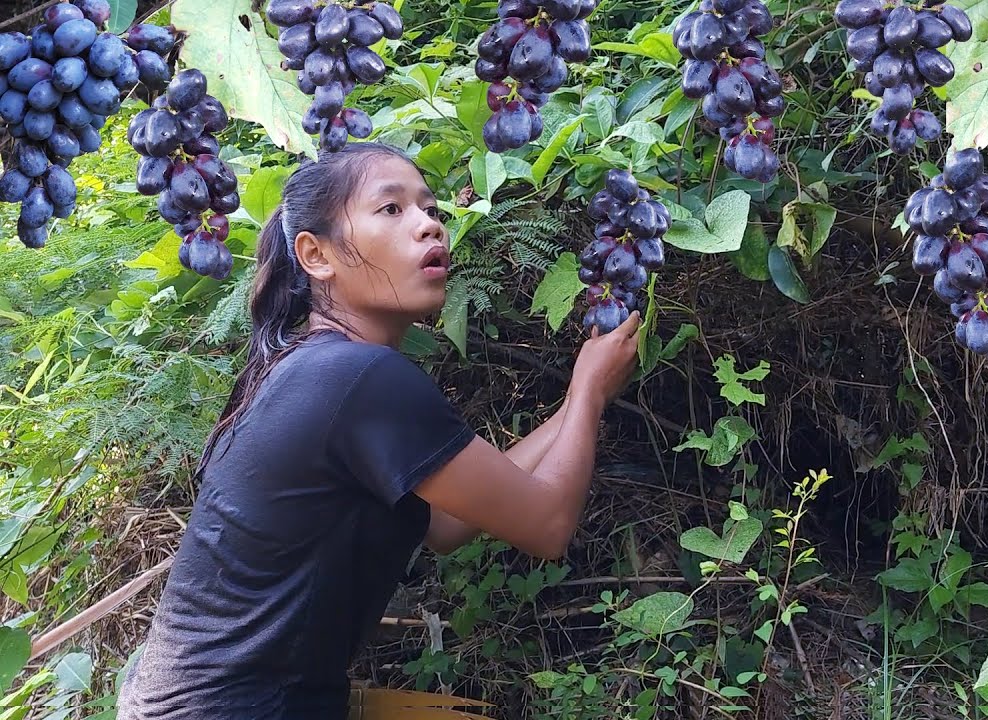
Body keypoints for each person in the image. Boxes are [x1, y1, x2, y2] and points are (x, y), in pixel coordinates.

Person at [115, 141, 641, 719]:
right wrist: (588, 392)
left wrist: (579, 397)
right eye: (391, 209)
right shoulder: (359, 376)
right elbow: (547, 525)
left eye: (431, 207)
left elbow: (445, 524)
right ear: (316, 255)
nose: (429, 226)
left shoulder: (312, 365)